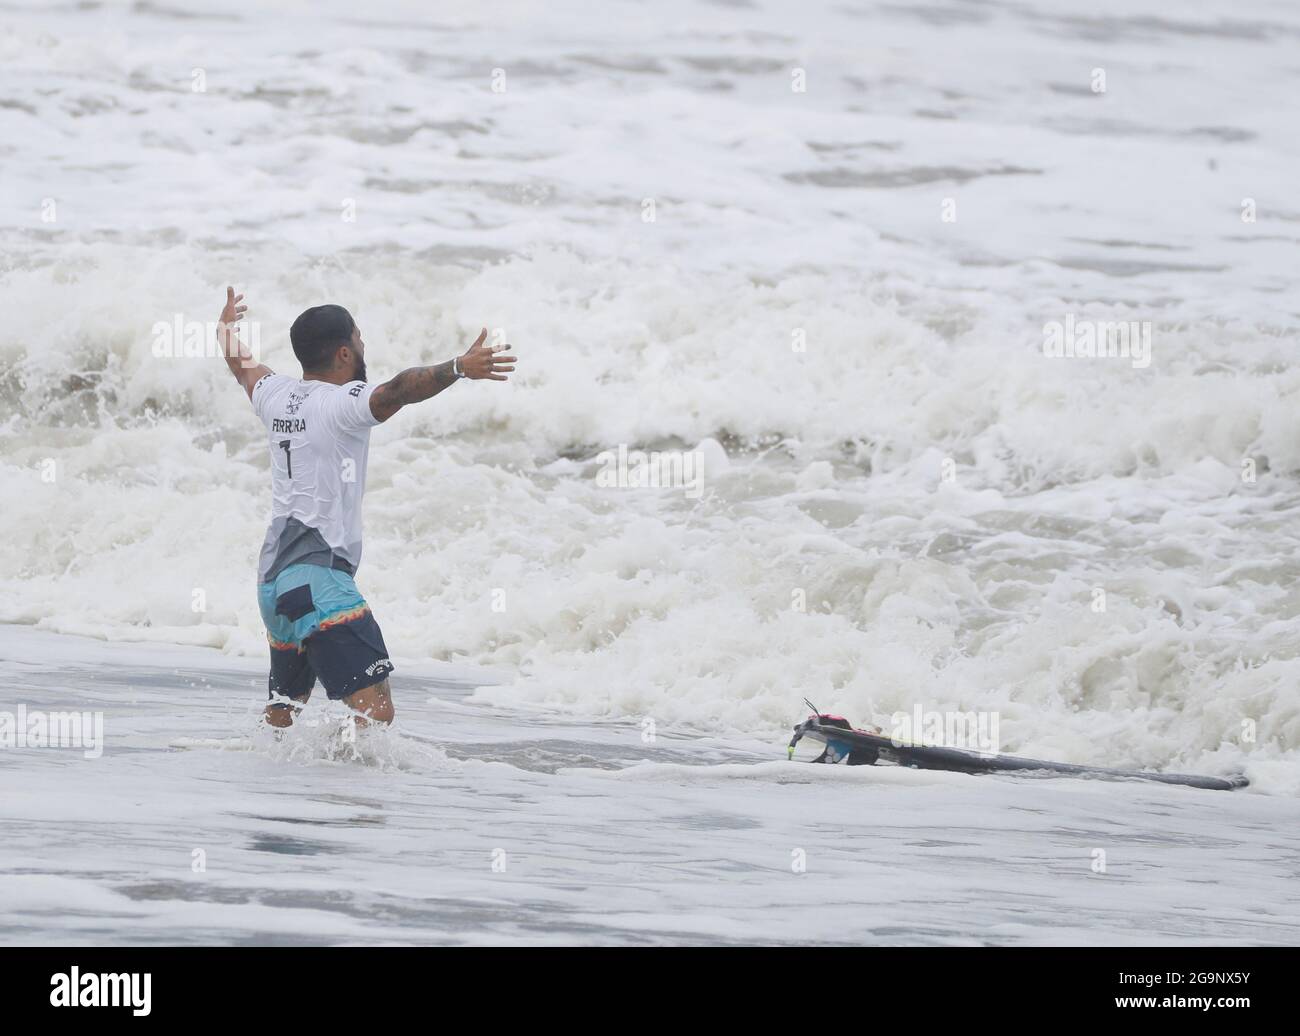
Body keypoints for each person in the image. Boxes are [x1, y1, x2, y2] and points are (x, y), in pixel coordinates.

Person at [214, 287, 516, 730]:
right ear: (342, 353)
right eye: (359, 339)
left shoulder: (274, 395)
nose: (363, 346)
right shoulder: (344, 404)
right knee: (374, 713)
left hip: (273, 586)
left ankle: (273, 789)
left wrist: (224, 328)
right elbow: (400, 389)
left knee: (283, 715)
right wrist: (458, 368)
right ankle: (341, 790)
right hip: (318, 581)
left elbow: (240, 365)